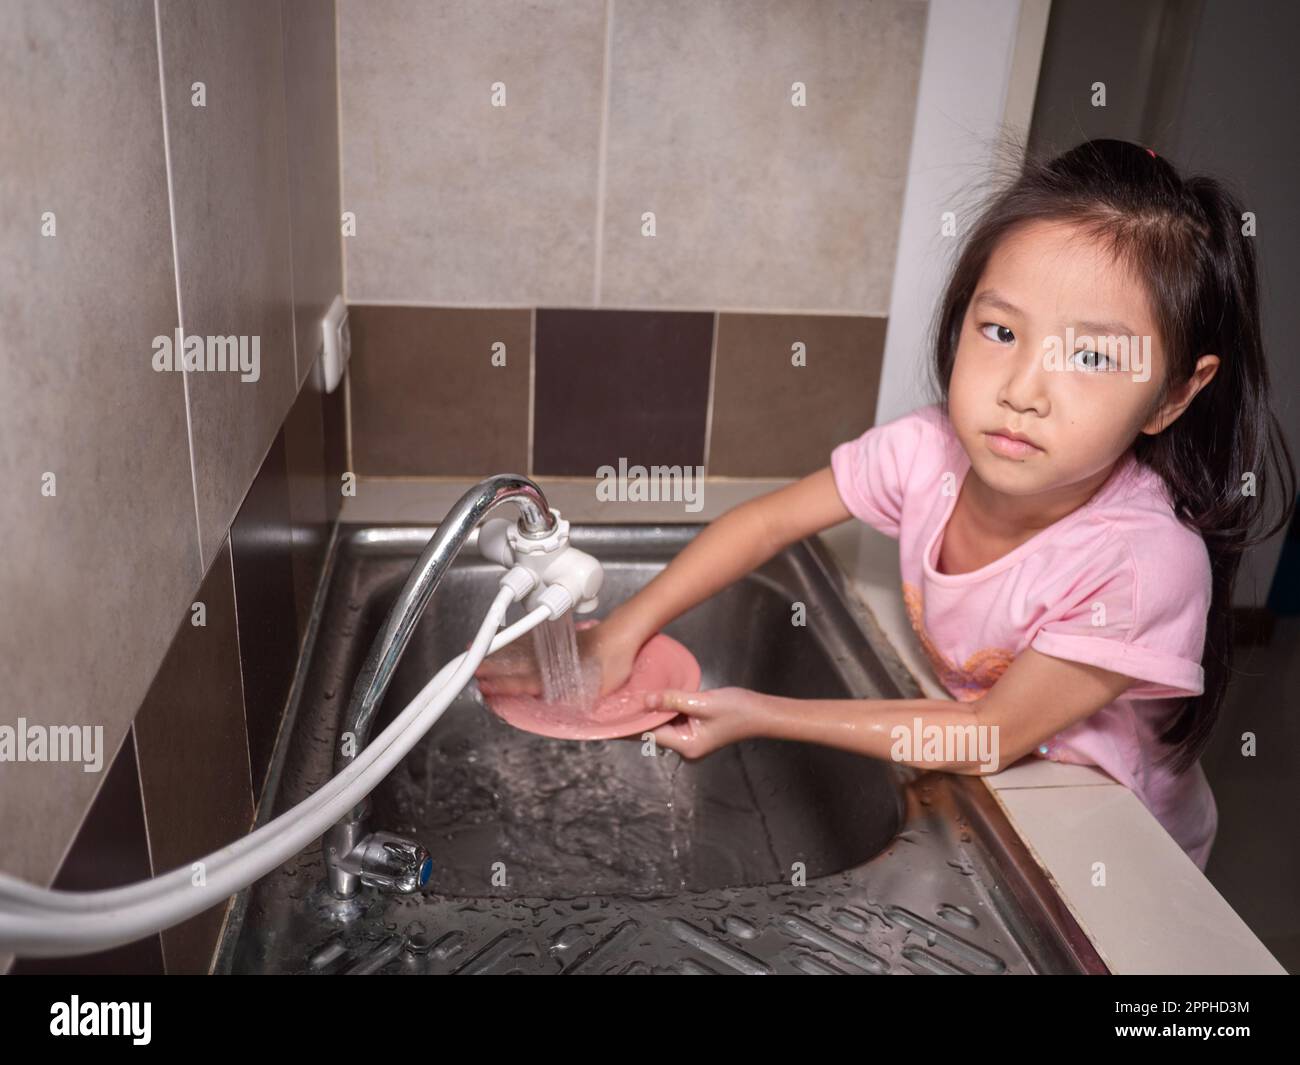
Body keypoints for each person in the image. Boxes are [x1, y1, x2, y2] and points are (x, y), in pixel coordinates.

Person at [475, 139, 1295, 872]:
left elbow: (989, 735)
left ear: (1173, 396)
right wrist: (622, 629)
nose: (1021, 391)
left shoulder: (1145, 562)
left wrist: (760, 712)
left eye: (1091, 355)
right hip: (1007, 796)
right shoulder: (928, 449)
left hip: (1115, 854)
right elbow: (767, 523)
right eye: (1001, 332)